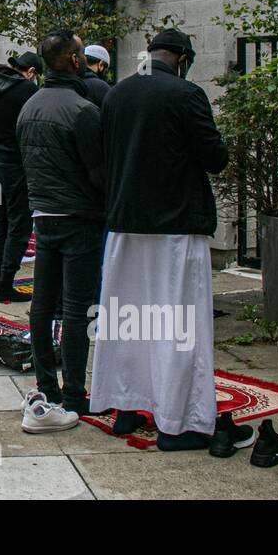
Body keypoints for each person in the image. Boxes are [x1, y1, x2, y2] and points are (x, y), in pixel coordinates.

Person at [89, 28, 230, 451]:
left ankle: (125, 409)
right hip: (175, 226)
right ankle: (176, 423)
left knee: (127, 321)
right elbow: (215, 158)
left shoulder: (116, 94)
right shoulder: (186, 95)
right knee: (178, 324)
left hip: (125, 225)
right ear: (183, 58)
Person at [17, 30, 105, 431]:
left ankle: (46, 385)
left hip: (44, 215)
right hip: (79, 217)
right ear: (73, 61)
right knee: (76, 308)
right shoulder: (83, 110)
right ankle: (73, 395)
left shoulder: (29, 106)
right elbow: (98, 172)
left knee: (42, 303)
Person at [0, 52, 43, 301]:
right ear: (29, 71)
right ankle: (5, 281)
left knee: (0, 222)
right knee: (18, 225)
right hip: (14, 167)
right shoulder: (27, 90)